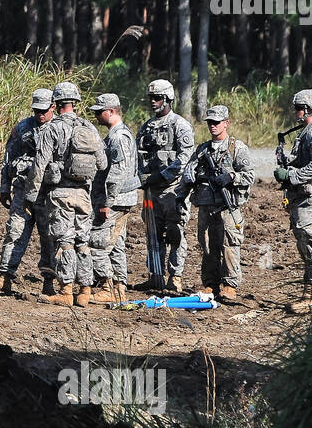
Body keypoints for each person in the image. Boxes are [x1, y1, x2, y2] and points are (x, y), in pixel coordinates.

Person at [23, 82, 107, 307]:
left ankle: (66, 291)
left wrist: (30, 197)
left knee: (66, 242)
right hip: (84, 194)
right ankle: (85, 291)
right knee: (83, 242)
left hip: (59, 194)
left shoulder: (52, 128)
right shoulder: (89, 127)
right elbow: (102, 162)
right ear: (75, 103)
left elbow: (39, 166)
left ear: (56, 104)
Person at [0, 88, 55, 294]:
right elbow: (8, 159)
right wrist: (4, 187)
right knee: (14, 232)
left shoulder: (59, 128)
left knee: (49, 237)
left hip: (47, 194)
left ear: (53, 107)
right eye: (36, 110)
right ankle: (5, 276)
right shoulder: (23, 127)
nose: (40, 114)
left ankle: (48, 282)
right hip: (22, 191)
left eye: (44, 110)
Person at [177, 105, 255, 299]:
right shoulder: (203, 150)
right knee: (207, 245)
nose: (212, 126)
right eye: (210, 122)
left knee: (229, 244)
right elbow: (188, 174)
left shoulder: (237, 148)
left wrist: (231, 177)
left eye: (216, 122)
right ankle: (210, 283)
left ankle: (230, 284)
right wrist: (182, 193)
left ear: (226, 124)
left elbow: (249, 176)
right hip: (206, 205)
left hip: (228, 206)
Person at [274, 89, 312, 313]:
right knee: (306, 247)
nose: (295, 113)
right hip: (303, 198)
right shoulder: (306, 132)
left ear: (308, 110)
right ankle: (309, 294)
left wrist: (291, 176)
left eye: (298, 108)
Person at [136, 78, 196, 292]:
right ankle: (156, 275)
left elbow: (185, 159)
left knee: (175, 234)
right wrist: (143, 179)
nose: (153, 102)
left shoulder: (179, 125)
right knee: (153, 235)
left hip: (173, 190)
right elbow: (139, 156)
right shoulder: (147, 127)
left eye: (157, 98)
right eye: (151, 98)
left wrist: (160, 176)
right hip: (151, 193)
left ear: (168, 99)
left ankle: (175, 278)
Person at [87, 93, 139, 305]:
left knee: (97, 243)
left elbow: (117, 173)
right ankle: (119, 288)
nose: (97, 116)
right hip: (121, 199)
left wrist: (106, 203)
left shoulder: (118, 138)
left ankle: (107, 286)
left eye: (99, 112)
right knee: (116, 244)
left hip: (115, 201)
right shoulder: (119, 135)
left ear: (111, 111)